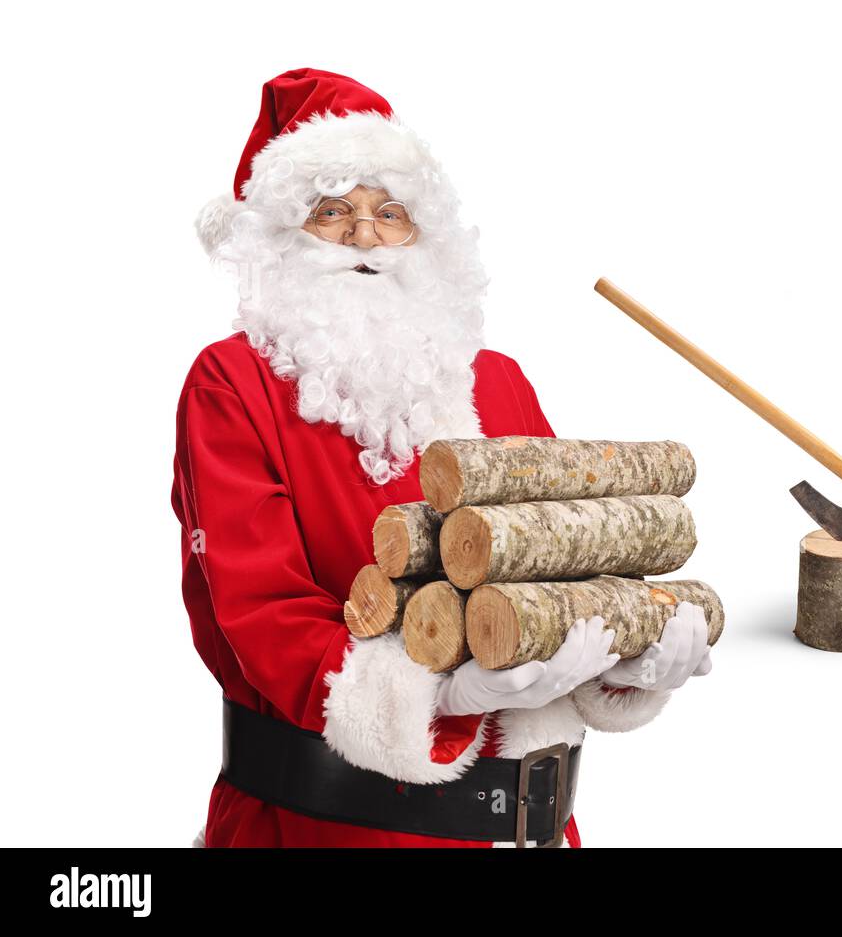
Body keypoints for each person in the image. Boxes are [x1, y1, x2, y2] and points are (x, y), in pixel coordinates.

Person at [175, 69, 712, 847]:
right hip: (326, 831)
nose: (366, 235)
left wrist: (623, 658)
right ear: (280, 236)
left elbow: (557, 570)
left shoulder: (497, 380)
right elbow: (262, 613)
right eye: (333, 212)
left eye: (390, 213)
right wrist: (440, 690)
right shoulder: (232, 382)